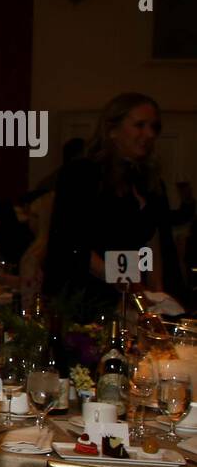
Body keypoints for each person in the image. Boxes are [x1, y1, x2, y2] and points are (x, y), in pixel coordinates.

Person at [43, 93, 181, 313]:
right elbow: (72, 242)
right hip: (86, 296)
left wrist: (157, 294)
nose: (149, 134)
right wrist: (128, 285)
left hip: (131, 295)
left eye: (154, 127)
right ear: (112, 130)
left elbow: (154, 243)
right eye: (140, 125)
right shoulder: (81, 174)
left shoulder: (150, 181)